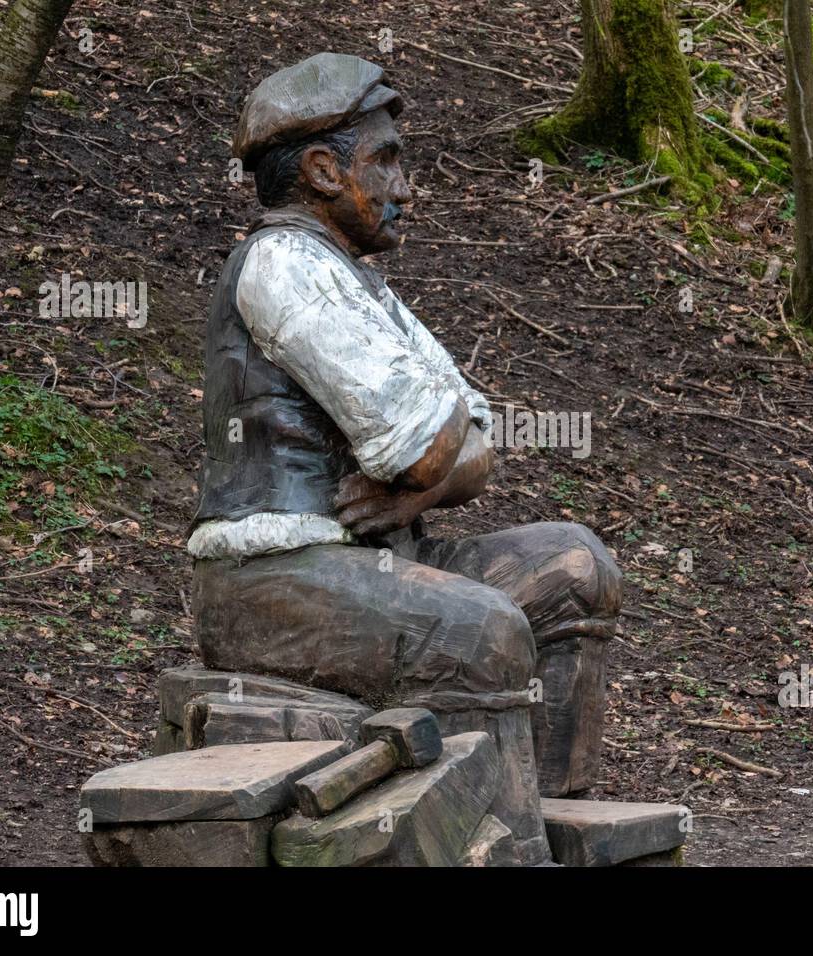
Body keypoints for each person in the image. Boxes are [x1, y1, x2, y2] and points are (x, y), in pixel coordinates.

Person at [188, 53, 622, 865]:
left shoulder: (359, 283)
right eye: (384, 160)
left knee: (576, 567)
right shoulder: (286, 265)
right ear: (322, 170)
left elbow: (475, 449)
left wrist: (414, 498)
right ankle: (497, 848)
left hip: (377, 556)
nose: (406, 186)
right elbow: (430, 445)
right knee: (481, 630)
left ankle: (554, 820)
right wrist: (433, 465)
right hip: (270, 582)